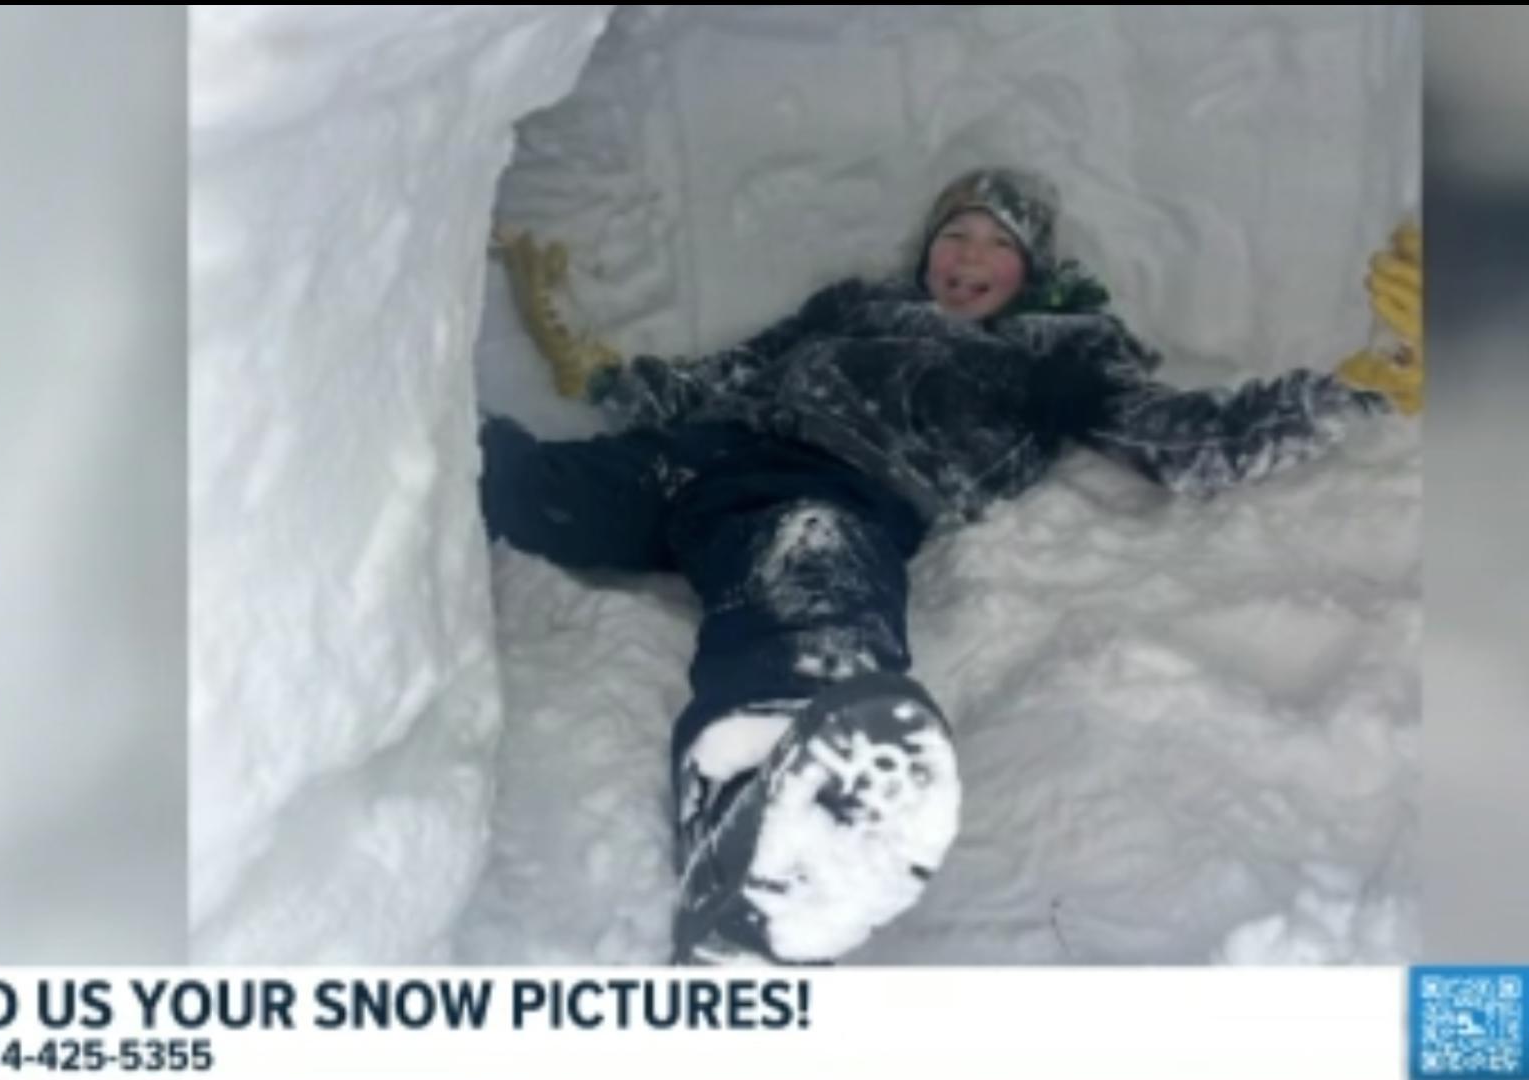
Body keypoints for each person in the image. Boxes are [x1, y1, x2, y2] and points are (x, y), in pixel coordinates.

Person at [481, 167, 1422, 965]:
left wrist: (1365, 383)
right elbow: (713, 379)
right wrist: (580, 348)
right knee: (513, 486)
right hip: (698, 460)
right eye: (954, 236)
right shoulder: (855, 306)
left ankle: (765, 860)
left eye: (995, 243)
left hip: (829, 497)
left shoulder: (1061, 351)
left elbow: (1191, 442)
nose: (966, 257)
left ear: (1033, 268)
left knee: (808, 615)